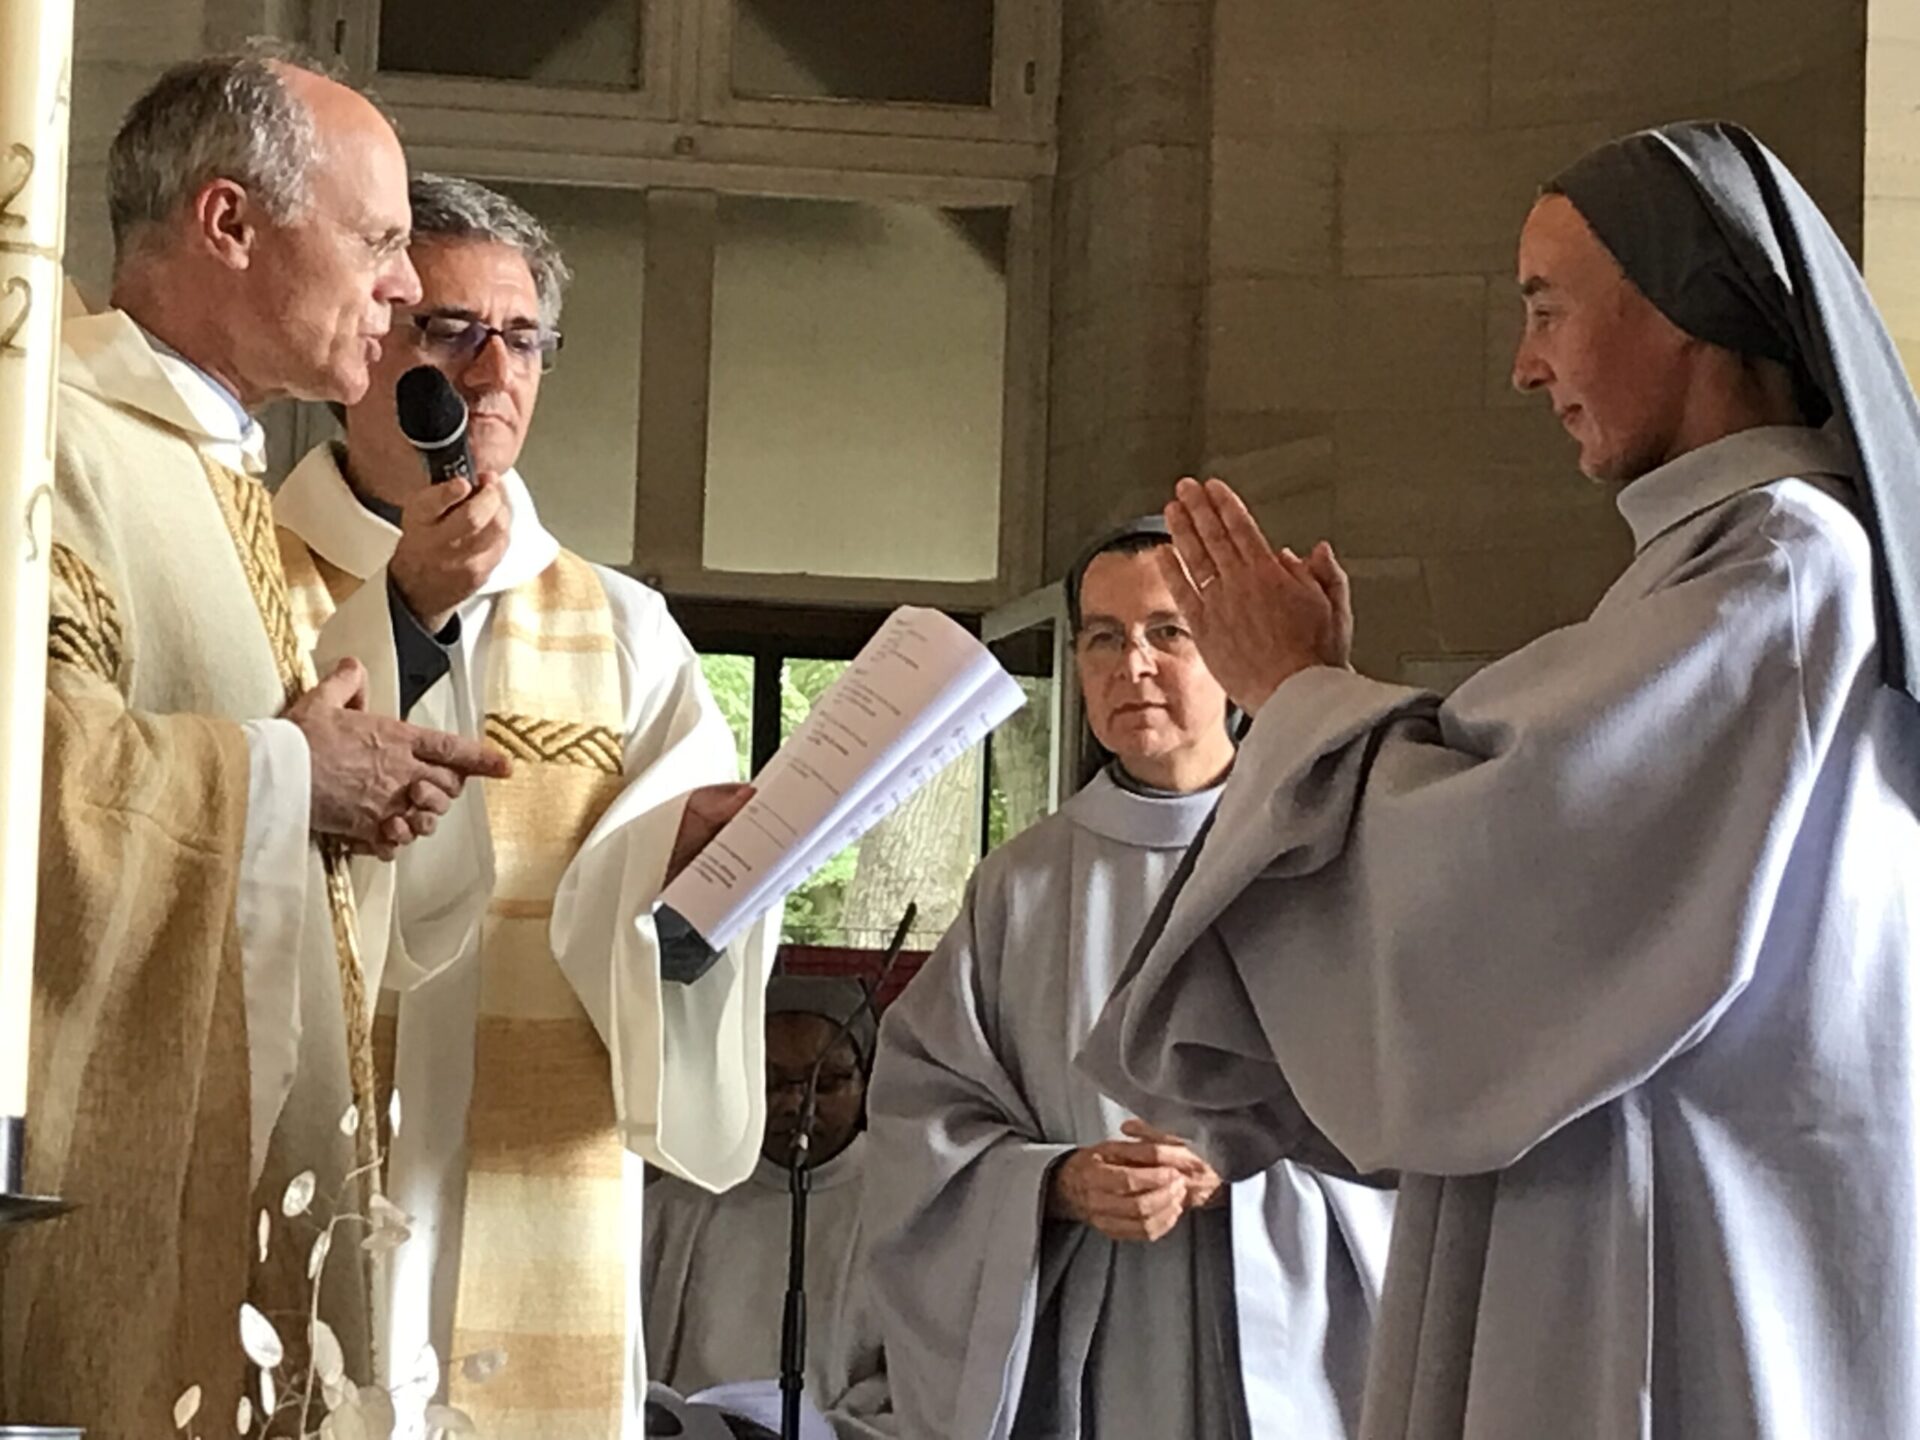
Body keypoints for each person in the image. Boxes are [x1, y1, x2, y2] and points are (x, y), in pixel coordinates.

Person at [1081, 120, 1920, 1440]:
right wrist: (1322, 720)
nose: (1526, 368)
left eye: (1547, 308)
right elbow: (1533, 836)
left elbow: (1523, 893)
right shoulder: (1718, 568)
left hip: (1676, 1258)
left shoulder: (1780, 568)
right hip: (1643, 1224)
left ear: (1687, 306)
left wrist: (1301, 703)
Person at [0, 45, 510, 1434]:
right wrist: (287, 775)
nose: (408, 290)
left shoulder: (217, 467)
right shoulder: (43, 440)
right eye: (382, 242)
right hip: (99, 1191)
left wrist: (351, 782)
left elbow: (261, 761)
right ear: (229, 224)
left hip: (250, 1185)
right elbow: (22, 780)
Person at [272, 173, 777, 1435]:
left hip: (531, 1173)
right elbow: (219, 814)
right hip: (303, 1154)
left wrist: (700, 863)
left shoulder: (621, 626)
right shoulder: (258, 561)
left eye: (524, 337)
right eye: (450, 331)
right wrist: (401, 616)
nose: (491, 370)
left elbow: (668, 904)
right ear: (369, 335)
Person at [864, 519, 1393, 1440]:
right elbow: (921, 1117)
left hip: (1275, 1315)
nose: (1132, 664)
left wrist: (1239, 1167)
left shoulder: (1327, 854)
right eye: (1103, 636)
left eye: (1170, 630)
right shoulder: (1020, 884)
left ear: (1230, 650)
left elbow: (1416, 1116)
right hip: (1090, 1320)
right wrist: (1056, 1183)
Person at [642, 975, 885, 1423]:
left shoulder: (911, 1201)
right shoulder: (676, 1204)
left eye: (826, 1081)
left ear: (868, 1079)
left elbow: (930, 1378)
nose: (797, 1103)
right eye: (770, 1081)